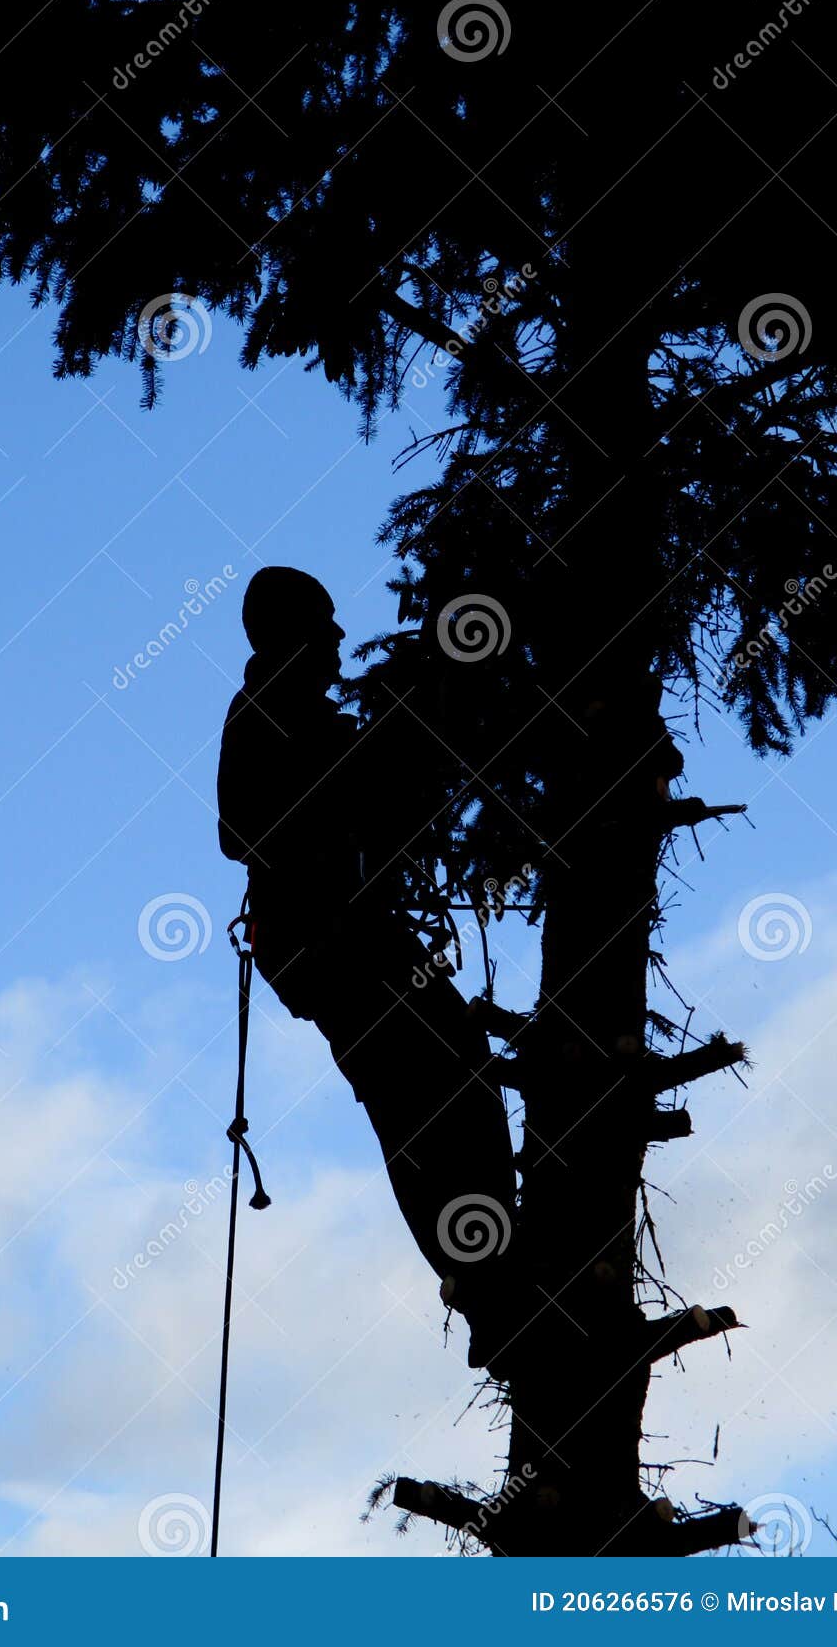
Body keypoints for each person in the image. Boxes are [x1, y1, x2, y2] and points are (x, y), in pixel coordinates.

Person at [216, 566, 518, 1368]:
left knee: (451, 1075)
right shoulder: (263, 716)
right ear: (292, 633)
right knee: (420, 1101)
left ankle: (492, 1263)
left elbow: (384, 802)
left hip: (348, 942)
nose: (340, 639)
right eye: (326, 624)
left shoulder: (305, 720)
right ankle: (483, 1278)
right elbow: (242, 831)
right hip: (331, 946)